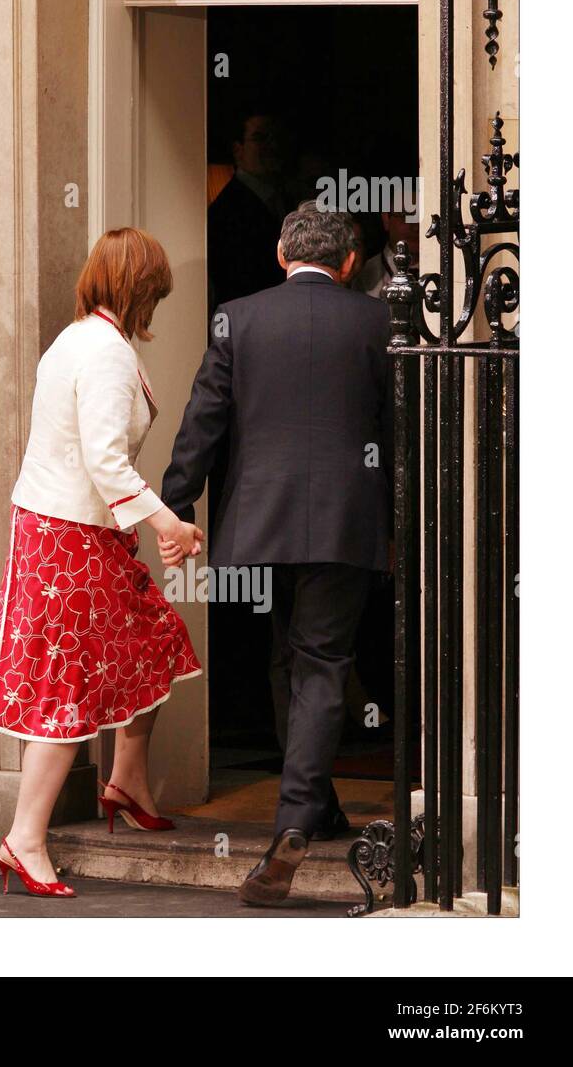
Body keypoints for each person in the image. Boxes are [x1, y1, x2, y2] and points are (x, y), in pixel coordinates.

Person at [160, 201, 391, 905]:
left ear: (282, 255)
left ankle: (304, 812)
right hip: (349, 522)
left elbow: (205, 414)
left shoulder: (239, 315)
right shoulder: (380, 320)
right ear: (350, 262)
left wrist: (178, 501)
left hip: (261, 521)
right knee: (318, 662)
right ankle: (301, 816)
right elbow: (402, 429)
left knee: (287, 657)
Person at [0, 228, 204, 898]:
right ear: (139, 288)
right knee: (64, 688)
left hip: (75, 530)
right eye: (156, 291)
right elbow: (106, 458)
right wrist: (168, 522)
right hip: (68, 536)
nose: (158, 303)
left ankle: (125, 778)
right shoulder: (102, 350)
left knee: (155, 642)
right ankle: (24, 837)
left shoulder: (81, 338)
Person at [207, 112, 290, 305]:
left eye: (274, 138)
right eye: (260, 138)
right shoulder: (226, 212)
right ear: (238, 150)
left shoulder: (285, 198)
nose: (271, 146)